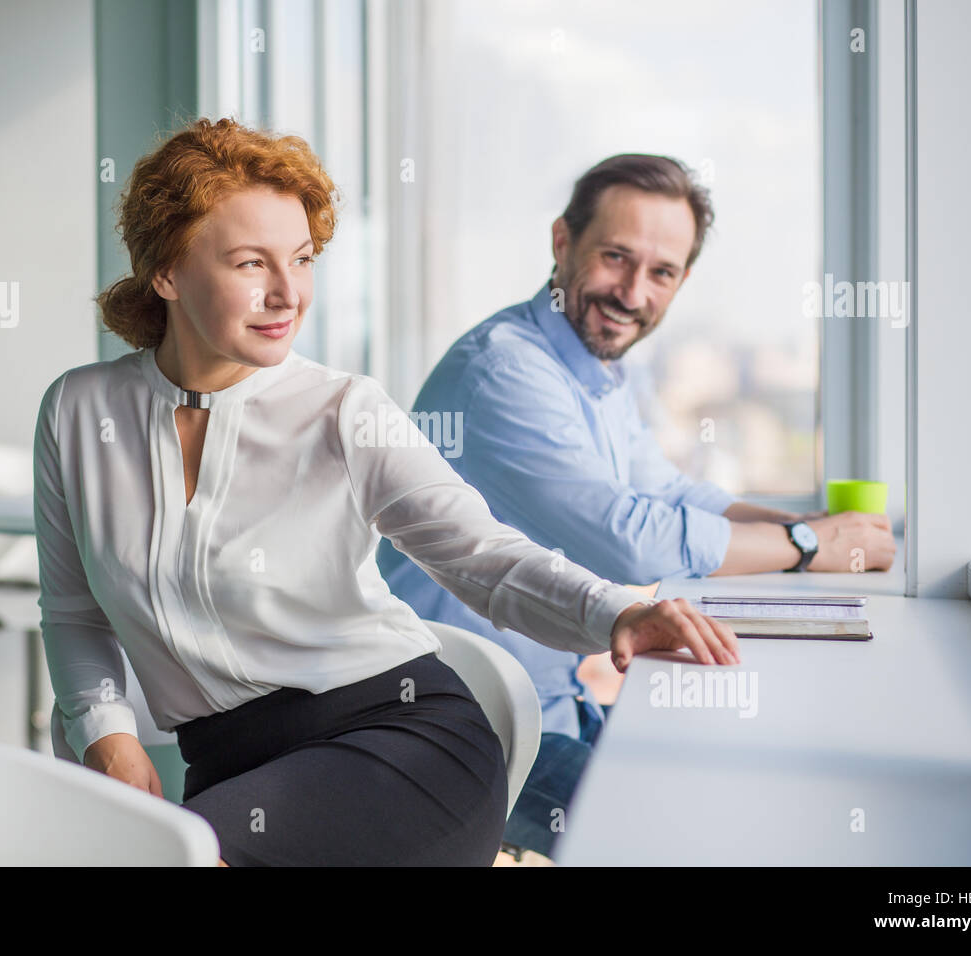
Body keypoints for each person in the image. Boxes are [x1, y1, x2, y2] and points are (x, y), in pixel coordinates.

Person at [33, 119, 740, 867]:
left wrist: (617, 611)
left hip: (403, 743)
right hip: (232, 768)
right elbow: (74, 612)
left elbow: (482, 555)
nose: (286, 293)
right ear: (167, 271)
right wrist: (108, 738)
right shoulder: (78, 413)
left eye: (301, 260)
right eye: (250, 263)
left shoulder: (344, 410)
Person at [377, 153, 897, 859]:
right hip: (460, 720)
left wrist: (818, 532)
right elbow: (629, 543)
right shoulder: (505, 372)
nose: (632, 293)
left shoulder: (599, 366)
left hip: (549, 697)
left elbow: (670, 492)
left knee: (727, 788)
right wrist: (807, 545)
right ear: (563, 242)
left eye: (661, 273)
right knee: (675, 843)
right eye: (615, 258)